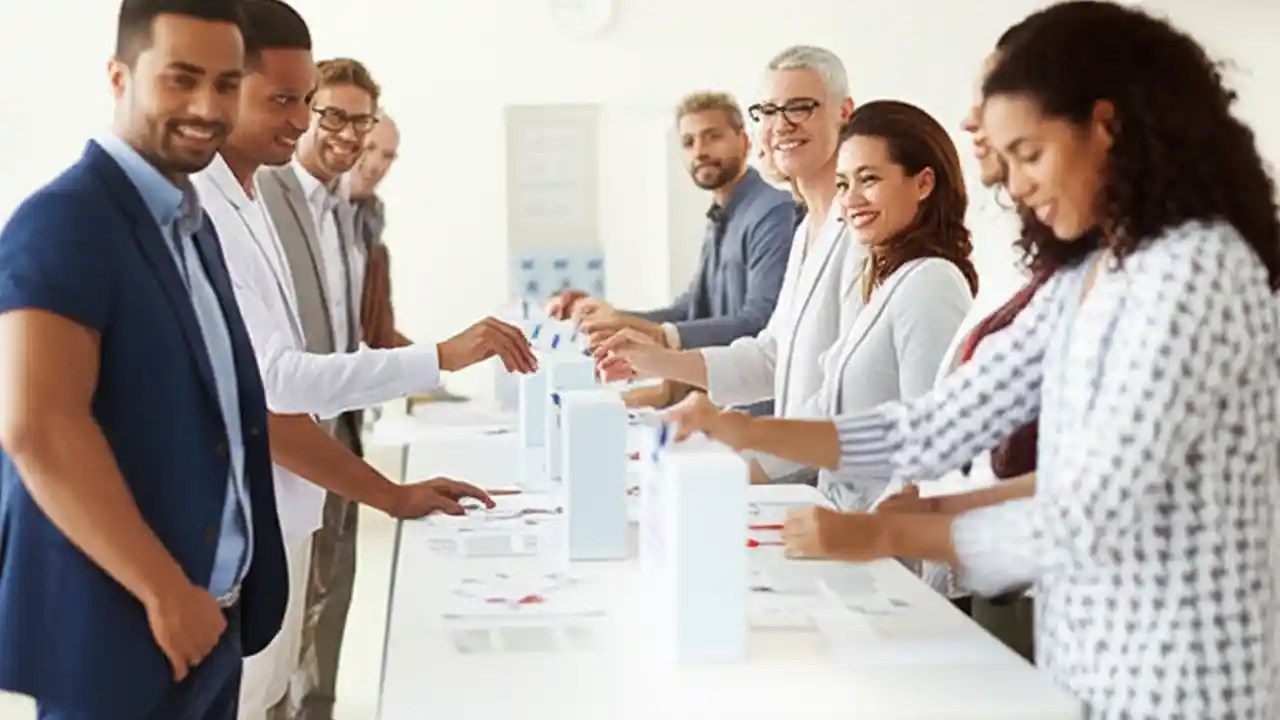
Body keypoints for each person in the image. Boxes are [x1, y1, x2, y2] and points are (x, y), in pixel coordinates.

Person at [665, 2, 1280, 715]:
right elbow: (932, 423)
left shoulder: (1196, 270)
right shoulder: (1091, 273)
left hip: (1186, 683)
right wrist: (747, 431)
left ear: (1108, 129)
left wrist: (890, 529)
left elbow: (1089, 512)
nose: (1015, 185)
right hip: (1086, 666)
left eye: (1029, 155)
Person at [191, 5, 517, 718]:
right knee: (251, 694)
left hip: (291, 494)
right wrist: (440, 359)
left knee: (279, 681)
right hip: (244, 509)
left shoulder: (261, 197)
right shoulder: (217, 206)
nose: (304, 122)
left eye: (306, 103)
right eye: (288, 102)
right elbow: (277, 383)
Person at [0, 1, 288, 717]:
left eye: (226, 85)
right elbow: (39, 428)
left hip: (209, 622)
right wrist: (165, 592)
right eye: (180, 79)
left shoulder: (189, 223)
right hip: (126, 627)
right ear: (119, 76)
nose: (206, 106)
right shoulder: (65, 221)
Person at [596, 45, 856, 484]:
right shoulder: (808, 229)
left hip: (823, 475)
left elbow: (843, 397)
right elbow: (770, 356)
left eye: (800, 108)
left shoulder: (855, 232)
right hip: (794, 466)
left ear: (844, 113)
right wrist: (657, 360)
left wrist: (745, 452)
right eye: (770, 111)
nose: (781, 125)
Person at [547, 92, 794, 414]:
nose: (700, 151)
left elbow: (759, 321)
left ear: (744, 142)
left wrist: (655, 334)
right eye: (689, 142)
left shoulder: (772, 212)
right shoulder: (721, 215)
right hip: (722, 409)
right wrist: (614, 319)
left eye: (713, 137)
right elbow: (690, 308)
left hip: (759, 416)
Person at [804, 100, 975, 511]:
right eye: (843, 184)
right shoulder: (877, 279)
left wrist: (865, 533)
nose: (851, 199)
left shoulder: (932, 284)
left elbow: (929, 452)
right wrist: (733, 445)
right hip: (849, 532)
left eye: (869, 179)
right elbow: (825, 411)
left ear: (923, 183)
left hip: (888, 550)